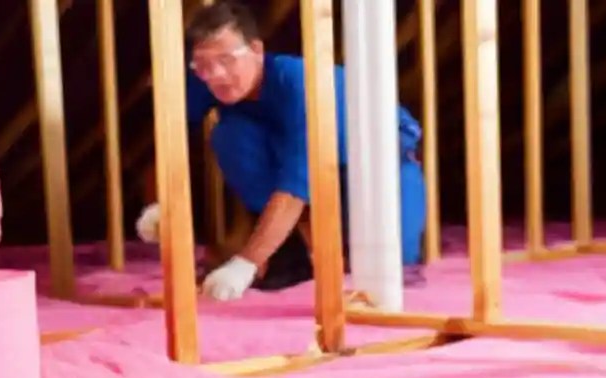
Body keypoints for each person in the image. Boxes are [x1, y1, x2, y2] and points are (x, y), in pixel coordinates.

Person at [135, 0, 428, 301]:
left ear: (257, 51)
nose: (216, 75)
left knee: (387, 272)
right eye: (203, 65)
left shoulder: (301, 85)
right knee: (231, 134)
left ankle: (291, 250)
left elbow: (295, 187)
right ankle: (290, 251)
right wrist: (157, 202)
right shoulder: (206, 79)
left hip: (379, 170)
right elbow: (169, 139)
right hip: (299, 168)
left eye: (227, 59)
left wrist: (244, 263)